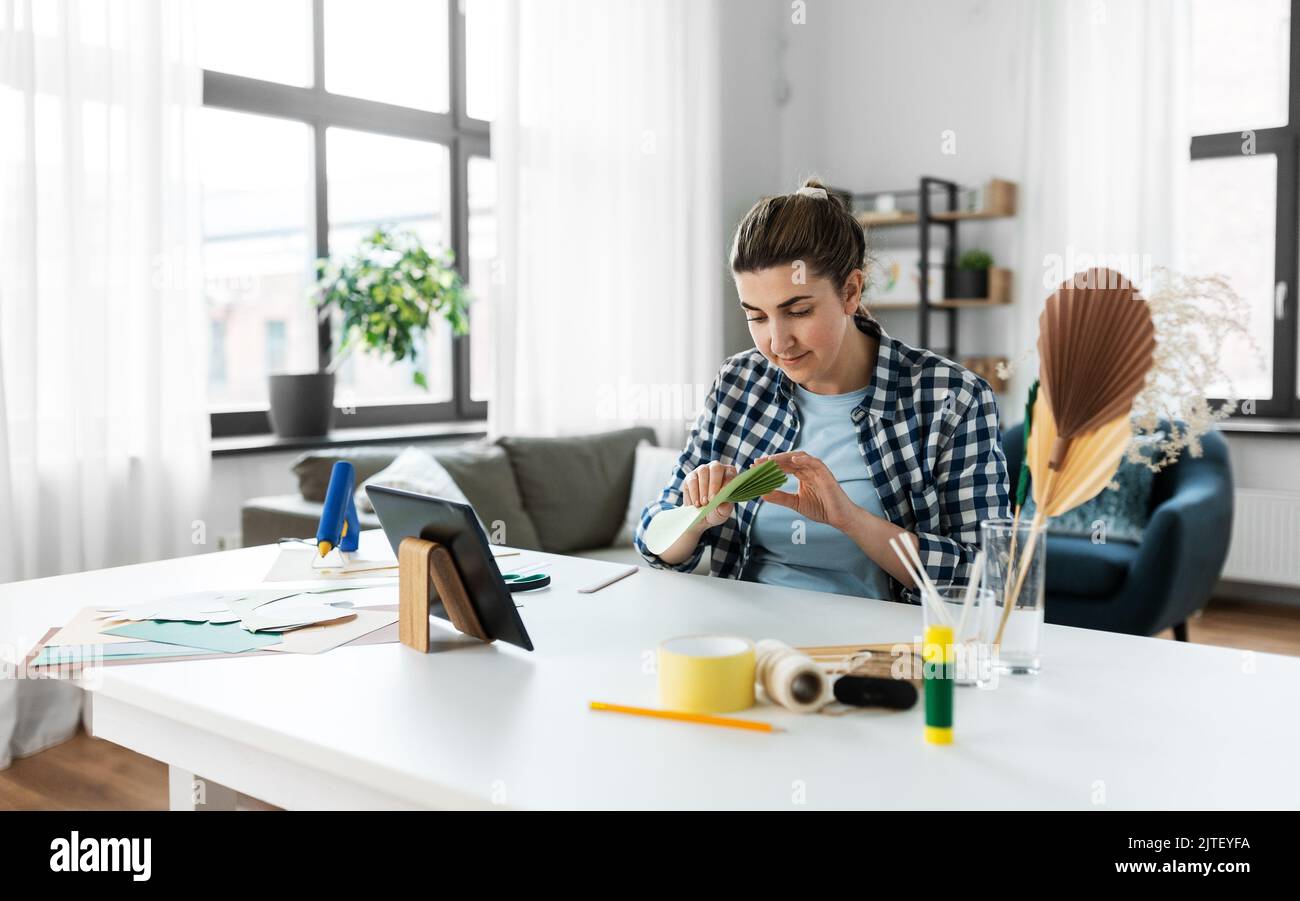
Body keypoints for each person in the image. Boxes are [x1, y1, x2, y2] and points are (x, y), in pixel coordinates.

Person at [632, 178, 1010, 601]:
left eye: (798, 311)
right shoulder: (740, 382)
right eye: (756, 317)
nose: (778, 342)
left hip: (881, 650)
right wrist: (696, 516)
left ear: (850, 292)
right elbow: (655, 543)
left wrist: (849, 518)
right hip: (750, 640)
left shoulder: (951, 398)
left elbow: (985, 578)